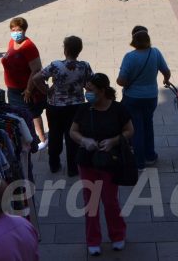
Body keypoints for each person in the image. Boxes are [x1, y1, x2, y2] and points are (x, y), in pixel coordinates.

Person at [69, 73, 134, 256]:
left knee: (110, 201)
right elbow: (72, 131)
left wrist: (113, 141)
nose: (87, 93)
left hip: (110, 162)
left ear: (103, 90)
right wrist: (84, 140)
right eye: (86, 89)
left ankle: (118, 234)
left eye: (90, 90)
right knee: (90, 202)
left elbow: (130, 130)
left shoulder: (118, 109)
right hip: (87, 162)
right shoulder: (83, 109)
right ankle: (93, 239)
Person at [30, 35, 92, 177]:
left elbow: (35, 78)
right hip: (76, 106)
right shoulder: (84, 66)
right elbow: (90, 83)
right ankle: (72, 168)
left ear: (65, 50)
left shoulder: (56, 65)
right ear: (79, 51)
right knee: (73, 136)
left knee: (55, 134)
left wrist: (46, 90)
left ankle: (54, 164)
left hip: (55, 106)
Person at [116, 26, 170, 170]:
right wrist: (165, 79)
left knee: (136, 128)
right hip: (151, 97)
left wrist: (129, 82)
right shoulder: (155, 53)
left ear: (133, 40)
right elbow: (166, 71)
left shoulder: (130, 57)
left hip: (132, 98)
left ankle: (139, 162)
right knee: (148, 125)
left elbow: (121, 81)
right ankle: (150, 155)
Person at [2, 17, 48, 150]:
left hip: (25, 90)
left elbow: (36, 69)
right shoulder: (11, 42)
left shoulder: (29, 47)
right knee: (18, 114)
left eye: (19, 30)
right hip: (12, 88)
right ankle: (26, 138)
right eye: (13, 29)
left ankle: (41, 139)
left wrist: (28, 89)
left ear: (24, 30)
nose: (16, 32)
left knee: (32, 114)